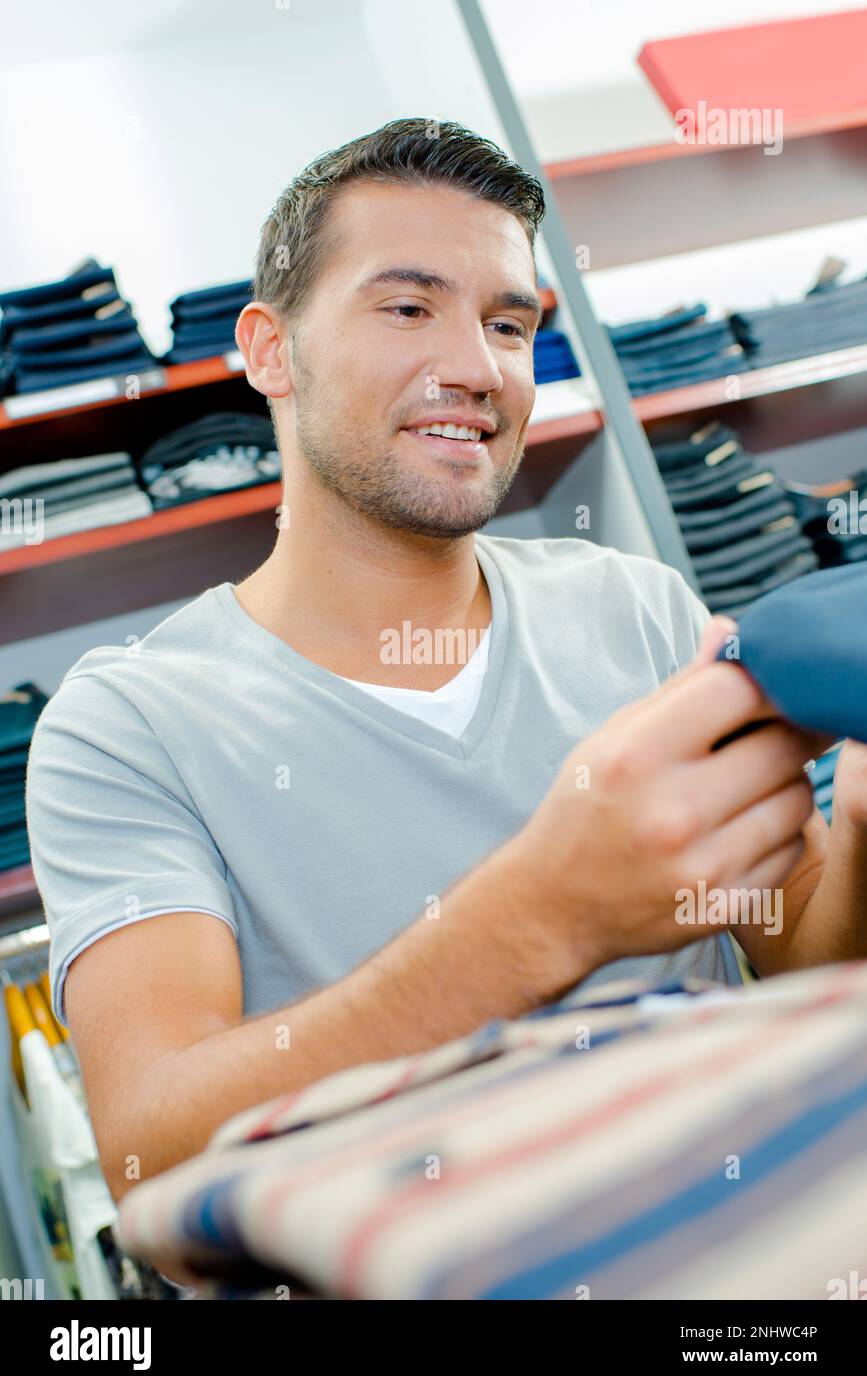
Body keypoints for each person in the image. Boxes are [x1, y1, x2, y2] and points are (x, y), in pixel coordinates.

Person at [26, 118, 866, 1211]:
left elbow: (801, 943)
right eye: (409, 307)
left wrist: (861, 831)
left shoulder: (639, 606)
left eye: (509, 324)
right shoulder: (126, 727)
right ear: (272, 349)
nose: (477, 369)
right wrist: (543, 918)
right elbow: (155, 1147)